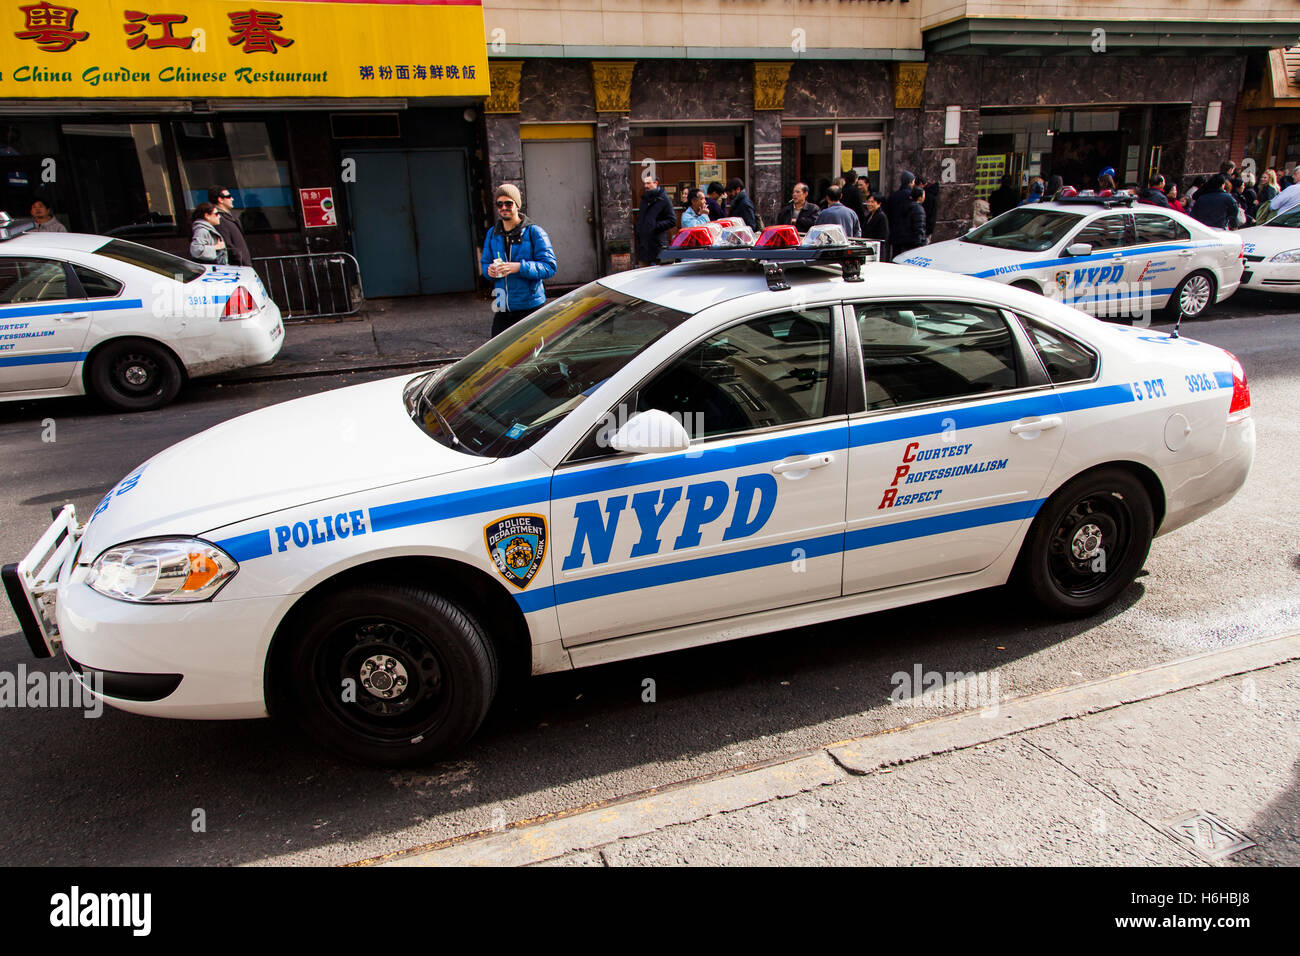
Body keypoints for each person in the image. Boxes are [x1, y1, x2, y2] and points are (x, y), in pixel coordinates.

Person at [480, 183, 557, 337]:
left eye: (508, 203)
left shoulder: (534, 232)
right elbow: (485, 264)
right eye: (499, 204)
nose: (504, 207)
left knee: (531, 354)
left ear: (517, 205)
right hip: (503, 306)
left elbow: (549, 266)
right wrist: (489, 271)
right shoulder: (492, 234)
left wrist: (518, 267)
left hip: (530, 306)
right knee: (498, 354)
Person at [635, 176, 677, 266]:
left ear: (656, 183)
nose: (646, 186)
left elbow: (672, 220)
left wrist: (654, 226)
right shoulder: (644, 200)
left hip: (658, 246)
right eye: (645, 183)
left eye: (648, 183)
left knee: (664, 275)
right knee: (643, 276)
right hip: (644, 247)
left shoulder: (664, 199)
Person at [208, 186, 251, 266]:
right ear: (220, 200)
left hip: (242, 264)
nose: (232, 199)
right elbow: (227, 245)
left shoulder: (230, 217)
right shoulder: (219, 219)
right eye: (228, 196)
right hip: (237, 266)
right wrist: (240, 259)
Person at [885, 171, 915, 259]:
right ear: (909, 182)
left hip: (895, 231)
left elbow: (888, 213)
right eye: (913, 181)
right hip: (907, 233)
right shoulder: (911, 196)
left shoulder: (893, 196)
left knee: (896, 255)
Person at [893, 186, 927, 256]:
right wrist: (920, 242)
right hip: (913, 242)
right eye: (923, 195)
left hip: (902, 240)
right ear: (920, 197)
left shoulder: (904, 205)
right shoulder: (918, 209)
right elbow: (919, 226)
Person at [861, 192, 890, 256]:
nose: (869, 204)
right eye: (868, 202)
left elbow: (883, 236)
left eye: (872, 202)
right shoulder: (869, 216)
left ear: (879, 204)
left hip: (877, 250)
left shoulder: (881, 216)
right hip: (868, 248)